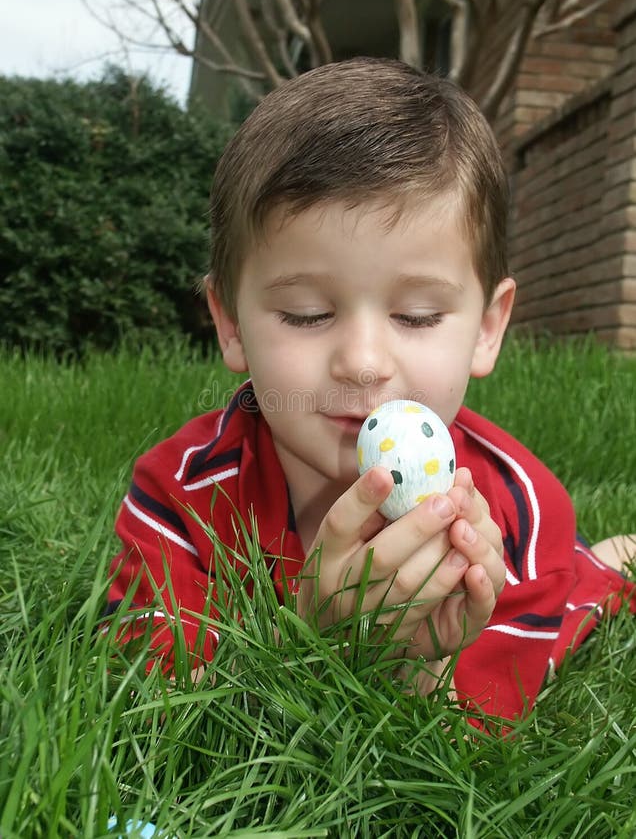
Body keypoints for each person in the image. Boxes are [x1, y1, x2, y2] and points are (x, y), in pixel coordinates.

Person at [107, 58, 635, 722]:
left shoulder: (516, 523)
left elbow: (471, 759)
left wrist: (424, 666)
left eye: (416, 316)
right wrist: (305, 640)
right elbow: (141, 706)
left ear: (487, 329)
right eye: (305, 314)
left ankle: (607, 564)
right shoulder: (180, 494)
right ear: (231, 325)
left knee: (591, 590)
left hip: (549, 576)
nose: (361, 363)